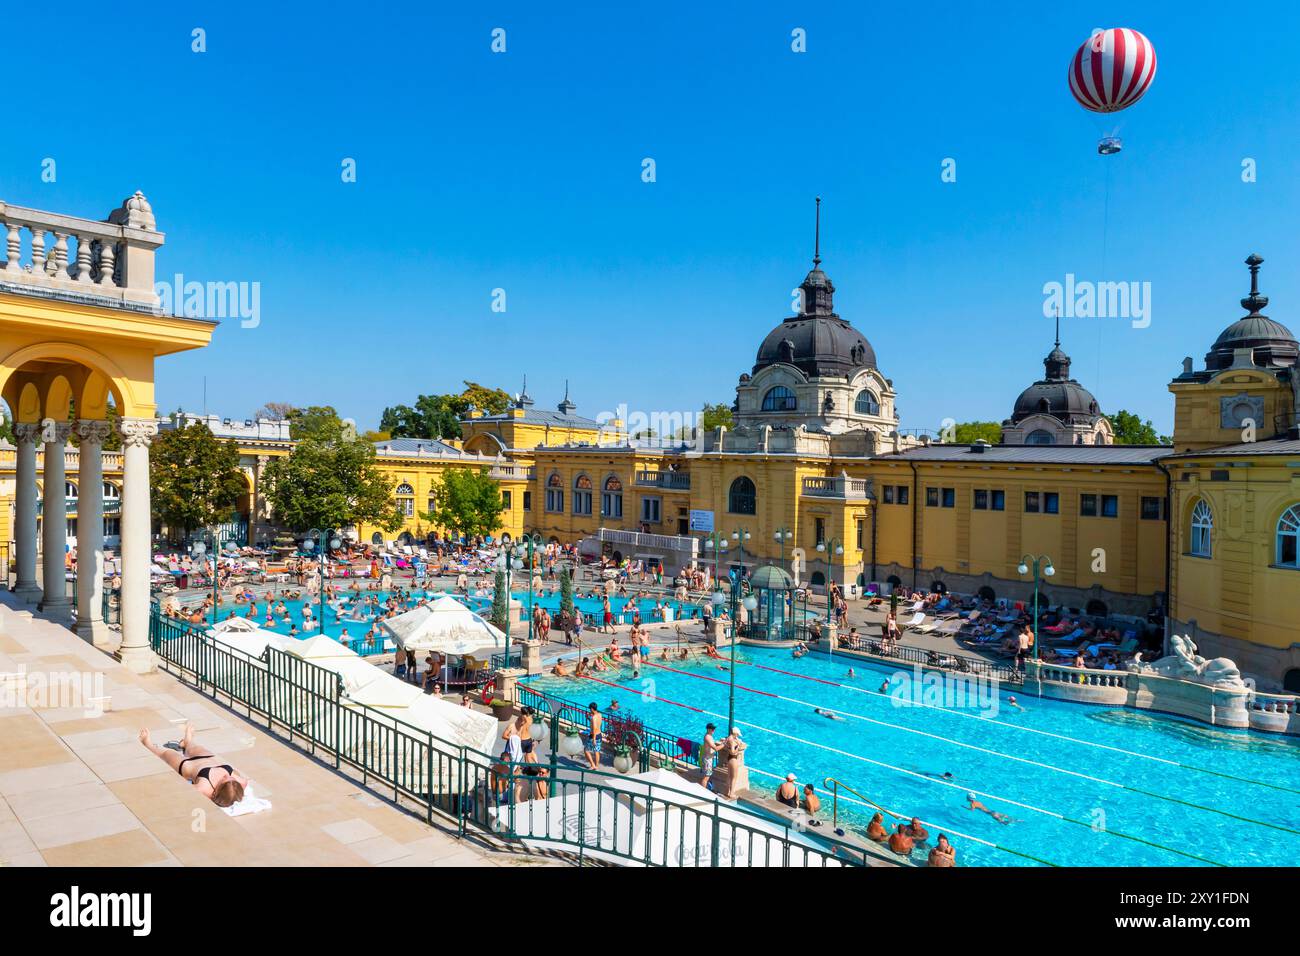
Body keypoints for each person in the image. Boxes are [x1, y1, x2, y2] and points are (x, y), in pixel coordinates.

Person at [138, 724, 250, 808]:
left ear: (217, 790)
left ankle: (148, 744)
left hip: (187, 766)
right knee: (196, 748)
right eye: (230, 778)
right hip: (207, 758)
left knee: (167, 754)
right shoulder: (239, 783)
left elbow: (184, 793)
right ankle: (187, 742)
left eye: (224, 779)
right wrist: (235, 781)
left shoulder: (205, 788)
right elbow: (244, 781)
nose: (226, 776)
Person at [721, 728, 746, 799]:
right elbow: (732, 752)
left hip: (729, 759)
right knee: (734, 777)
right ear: (735, 733)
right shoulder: (732, 741)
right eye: (737, 734)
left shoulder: (728, 738)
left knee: (729, 776)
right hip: (733, 759)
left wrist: (737, 741)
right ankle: (731, 793)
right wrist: (737, 748)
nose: (737, 736)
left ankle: (726, 792)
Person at [699, 723, 723, 792]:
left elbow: (712, 745)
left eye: (714, 729)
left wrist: (721, 743)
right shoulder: (707, 737)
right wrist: (724, 744)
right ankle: (703, 792)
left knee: (707, 775)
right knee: (706, 777)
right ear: (708, 729)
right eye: (712, 729)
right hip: (707, 760)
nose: (714, 730)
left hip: (708, 759)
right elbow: (715, 748)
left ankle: (707, 789)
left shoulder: (709, 736)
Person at [584, 702, 603, 770]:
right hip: (599, 735)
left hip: (593, 736)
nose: (589, 710)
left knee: (586, 750)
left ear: (592, 709)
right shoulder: (600, 715)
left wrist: (594, 739)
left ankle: (592, 765)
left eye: (590, 709)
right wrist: (589, 718)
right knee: (597, 751)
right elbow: (597, 725)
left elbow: (594, 728)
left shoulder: (594, 717)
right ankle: (597, 766)